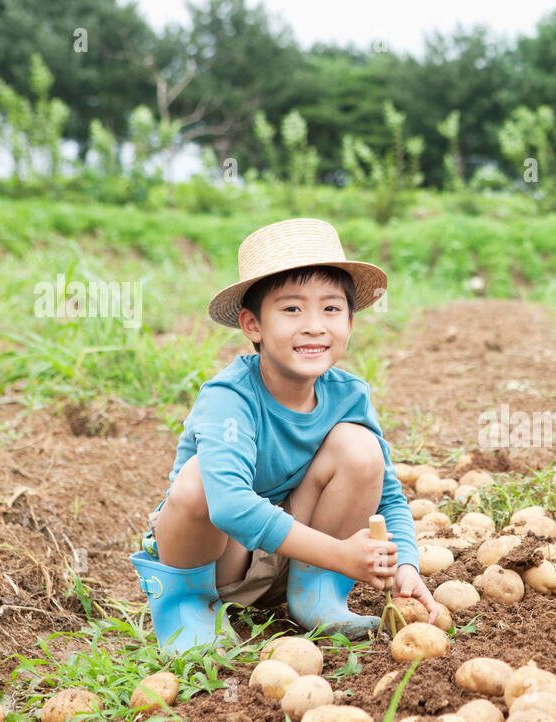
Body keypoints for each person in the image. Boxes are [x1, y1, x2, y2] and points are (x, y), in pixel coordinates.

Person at [130, 218, 440, 651]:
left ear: (350, 323)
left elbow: (388, 496)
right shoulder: (228, 396)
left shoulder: (349, 395)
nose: (314, 325)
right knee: (201, 478)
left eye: (331, 309)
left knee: (361, 448)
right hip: (221, 563)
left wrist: (406, 563)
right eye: (292, 309)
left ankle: (316, 596)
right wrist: (343, 555)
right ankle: (188, 607)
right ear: (253, 325)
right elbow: (231, 507)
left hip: (297, 559)